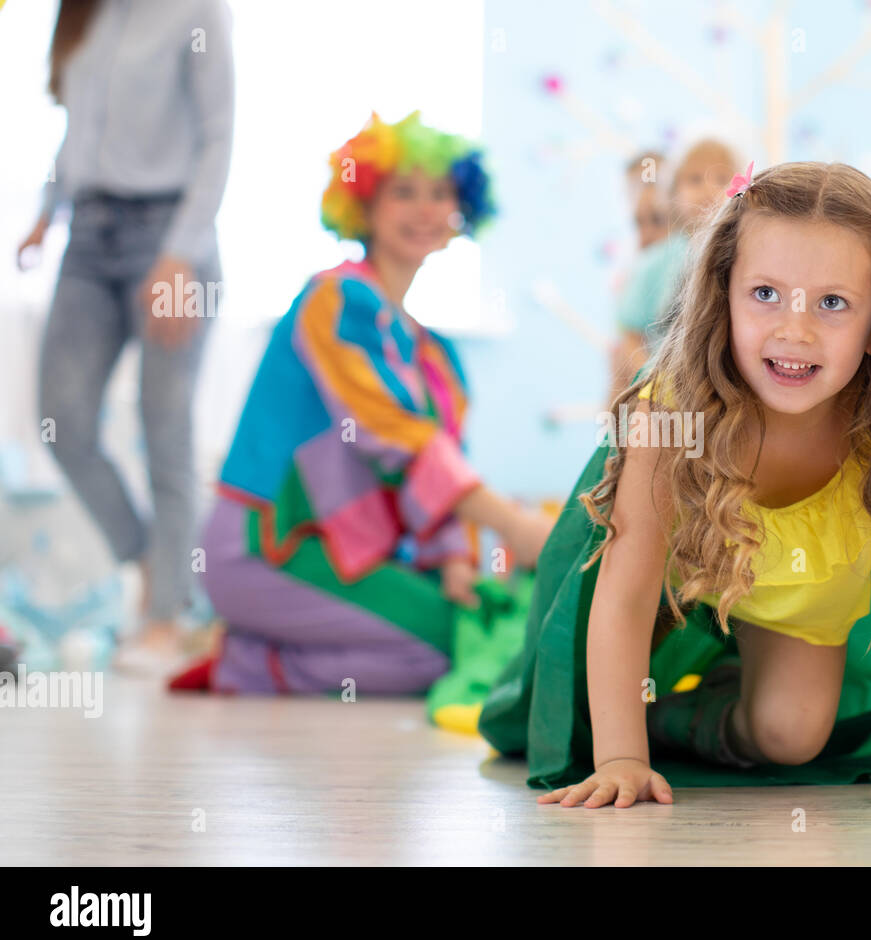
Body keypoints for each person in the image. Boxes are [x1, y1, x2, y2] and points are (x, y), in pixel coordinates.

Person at [478, 161, 871, 806]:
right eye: (765, 294)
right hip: (675, 570)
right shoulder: (673, 416)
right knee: (576, 703)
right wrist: (618, 760)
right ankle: (622, 728)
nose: (794, 329)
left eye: (832, 303)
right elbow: (627, 586)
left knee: (791, 736)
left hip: (788, 599)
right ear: (722, 293)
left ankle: (680, 715)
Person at [167, 112, 555, 694]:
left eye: (440, 193)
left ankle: (257, 647)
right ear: (365, 204)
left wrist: (456, 560)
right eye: (404, 192)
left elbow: (440, 461)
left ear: (461, 212)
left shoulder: (435, 355)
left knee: (468, 632)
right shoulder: (337, 299)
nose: (425, 209)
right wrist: (516, 526)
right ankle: (245, 666)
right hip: (262, 544)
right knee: (442, 649)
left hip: (344, 552)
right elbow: (395, 436)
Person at [15, 0, 235, 672]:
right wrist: (44, 213)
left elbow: (217, 137)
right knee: (63, 421)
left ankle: (167, 615)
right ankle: (153, 562)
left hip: (169, 237)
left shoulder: (196, 10)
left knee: (163, 427)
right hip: (86, 236)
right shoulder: (85, 12)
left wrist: (177, 256)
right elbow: (78, 131)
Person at [607, 139, 737, 406]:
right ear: (673, 192)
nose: (708, 189)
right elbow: (631, 334)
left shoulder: (743, 258)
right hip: (661, 392)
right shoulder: (656, 263)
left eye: (721, 178)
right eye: (695, 179)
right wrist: (651, 382)